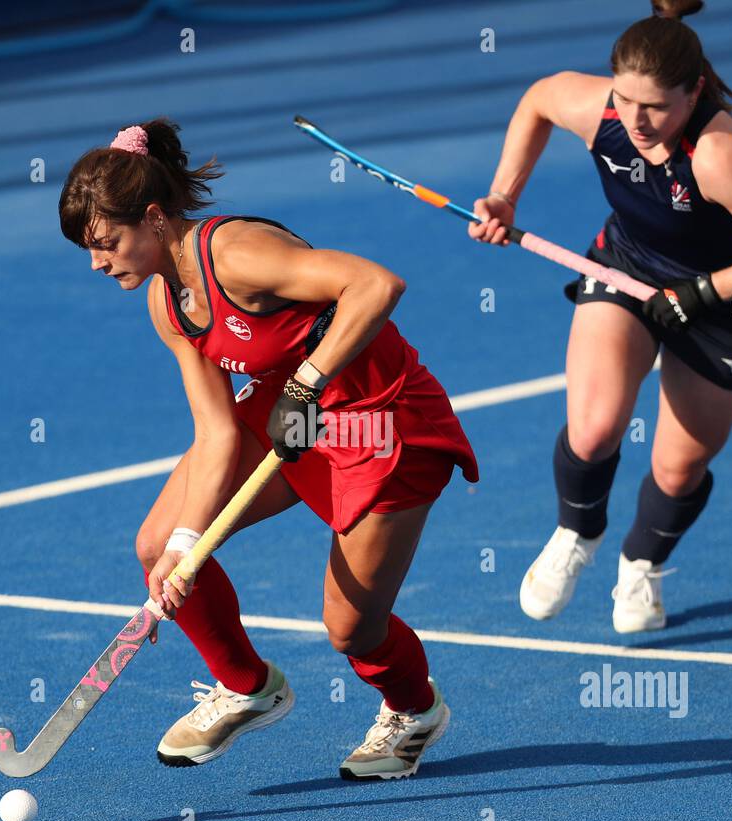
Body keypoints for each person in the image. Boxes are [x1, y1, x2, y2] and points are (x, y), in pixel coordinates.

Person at [59, 119, 479, 780]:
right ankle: (247, 685)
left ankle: (413, 709)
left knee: (351, 630)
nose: (97, 262)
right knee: (159, 545)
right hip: (295, 419)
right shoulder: (167, 307)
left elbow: (376, 285)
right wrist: (187, 543)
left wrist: (308, 383)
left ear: (154, 218)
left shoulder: (236, 254)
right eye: (88, 249)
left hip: (378, 421)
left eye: (107, 243)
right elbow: (217, 432)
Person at [469, 0, 732, 632]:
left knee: (678, 467)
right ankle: (576, 535)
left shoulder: (717, 156)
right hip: (626, 268)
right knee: (595, 428)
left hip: (720, 300)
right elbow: (538, 100)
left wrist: (696, 295)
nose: (636, 121)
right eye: (627, 102)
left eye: (655, 107)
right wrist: (504, 193)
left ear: (694, 93)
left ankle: (641, 565)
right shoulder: (600, 108)